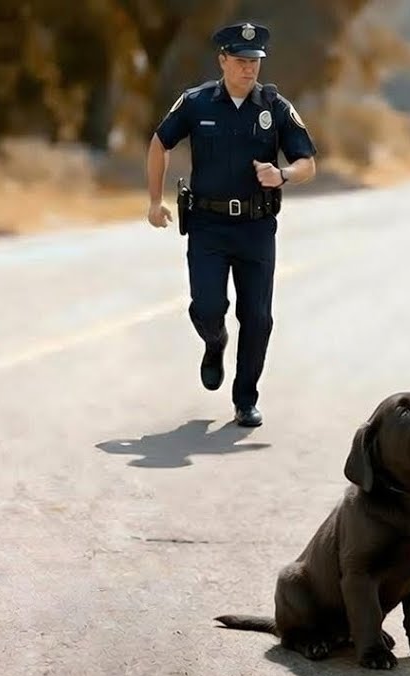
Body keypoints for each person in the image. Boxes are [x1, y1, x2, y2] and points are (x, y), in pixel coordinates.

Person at [145, 21, 318, 428]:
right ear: (222, 60)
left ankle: (245, 400)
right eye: (240, 61)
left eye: (254, 61)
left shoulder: (275, 107)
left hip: (257, 228)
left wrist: (284, 174)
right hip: (207, 224)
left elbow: (308, 162)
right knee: (207, 307)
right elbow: (159, 142)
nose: (248, 69)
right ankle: (214, 340)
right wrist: (155, 200)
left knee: (258, 317)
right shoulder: (196, 102)